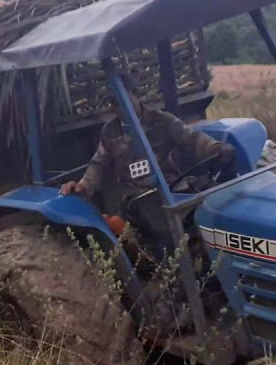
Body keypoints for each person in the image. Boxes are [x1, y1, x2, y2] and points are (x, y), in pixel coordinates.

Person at [60, 102, 236, 254]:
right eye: (113, 103)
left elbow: (191, 138)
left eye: (122, 99)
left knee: (214, 206)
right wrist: (83, 185)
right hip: (137, 195)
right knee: (166, 231)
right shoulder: (111, 131)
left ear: (135, 94)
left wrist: (214, 148)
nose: (118, 106)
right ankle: (174, 279)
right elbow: (99, 163)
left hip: (172, 185)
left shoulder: (162, 120)